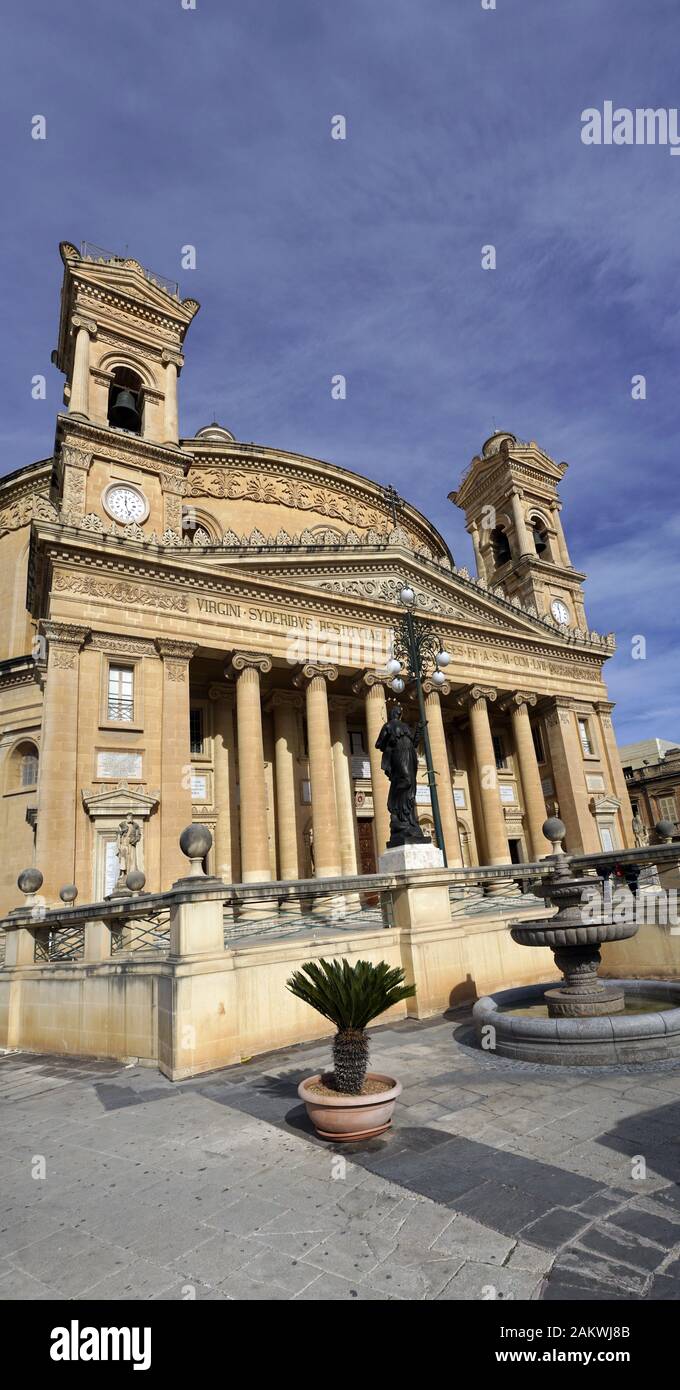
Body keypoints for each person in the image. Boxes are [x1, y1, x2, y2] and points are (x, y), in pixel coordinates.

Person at [375, 704, 429, 847]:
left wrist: (419, 730)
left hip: (410, 755)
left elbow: (415, 743)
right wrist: (389, 741)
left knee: (410, 784)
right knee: (405, 780)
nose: (397, 713)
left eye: (398, 712)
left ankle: (407, 818)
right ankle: (395, 805)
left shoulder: (405, 727)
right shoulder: (387, 726)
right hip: (398, 755)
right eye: (395, 711)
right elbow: (378, 744)